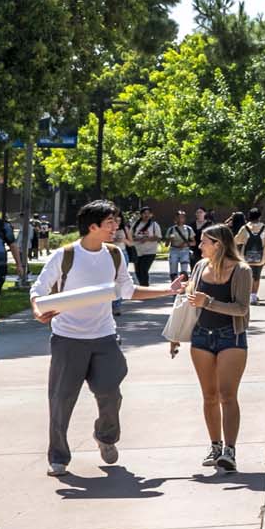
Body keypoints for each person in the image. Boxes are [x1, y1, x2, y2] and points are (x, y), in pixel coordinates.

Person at [31, 199, 181, 476]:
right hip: (68, 338)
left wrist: (167, 292)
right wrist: (37, 308)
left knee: (111, 394)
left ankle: (106, 436)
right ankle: (58, 456)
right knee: (61, 400)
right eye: (111, 222)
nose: (117, 227)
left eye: (117, 222)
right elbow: (38, 289)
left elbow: (127, 291)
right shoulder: (65, 255)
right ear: (92, 226)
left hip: (104, 337)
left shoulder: (114, 255)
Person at [171, 223, 252, 472]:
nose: (199, 245)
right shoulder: (199, 267)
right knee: (209, 396)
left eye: (204, 241)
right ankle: (214, 446)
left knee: (228, 396)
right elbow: (188, 301)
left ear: (218, 244)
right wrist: (176, 333)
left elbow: (241, 309)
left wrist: (210, 302)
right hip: (201, 337)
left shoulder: (241, 270)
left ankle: (230, 451)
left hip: (231, 336)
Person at [232, 207, 265, 304]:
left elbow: (237, 240)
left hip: (246, 258)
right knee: (257, 276)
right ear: (260, 217)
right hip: (260, 258)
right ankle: (253, 296)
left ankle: (247, 295)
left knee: (247, 276)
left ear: (249, 216)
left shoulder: (244, 228)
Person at [129, 210, 162, 287]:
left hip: (150, 251)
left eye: (148, 213)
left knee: (143, 269)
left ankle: (145, 287)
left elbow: (158, 237)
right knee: (138, 271)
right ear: (141, 215)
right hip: (137, 251)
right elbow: (130, 236)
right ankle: (142, 285)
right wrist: (138, 239)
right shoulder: (135, 225)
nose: (146, 215)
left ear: (151, 215)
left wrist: (147, 239)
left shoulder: (154, 225)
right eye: (144, 213)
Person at [165, 210, 195, 280]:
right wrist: (169, 239)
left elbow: (194, 242)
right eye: (178, 217)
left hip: (184, 251)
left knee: (184, 271)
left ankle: (183, 286)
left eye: (182, 217)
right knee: (173, 271)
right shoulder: (171, 229)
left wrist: (186, 244)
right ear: (175, 218)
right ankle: (174, 286)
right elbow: (166, 245)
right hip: (174, 250)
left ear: (184, 218)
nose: (180, 219)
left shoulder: (188, 229)